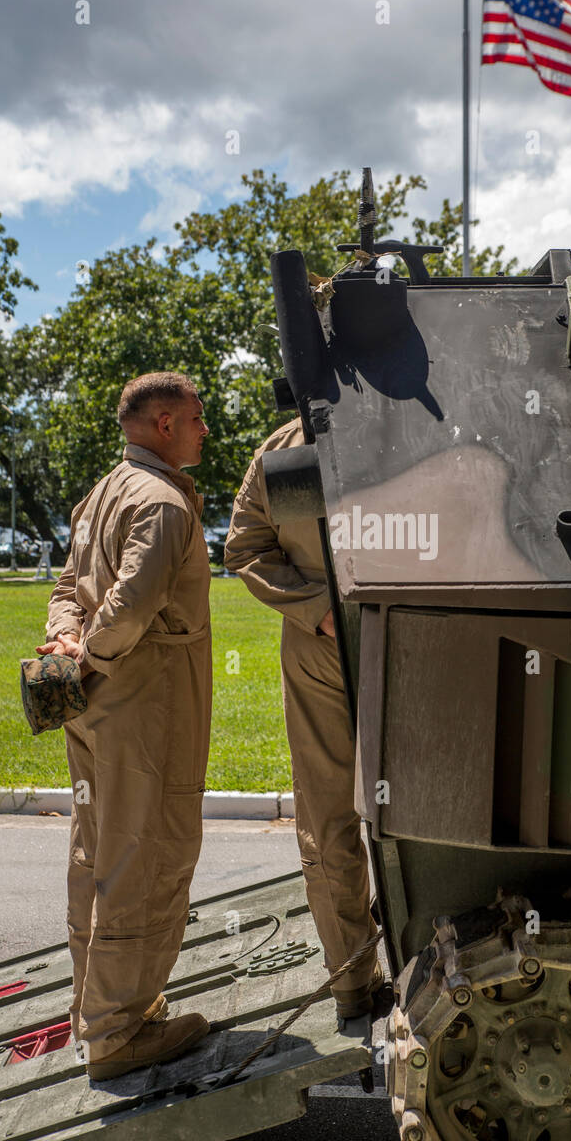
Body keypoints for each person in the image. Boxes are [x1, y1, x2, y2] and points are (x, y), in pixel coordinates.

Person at [39, 372, 213, 1080]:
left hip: (97, 703)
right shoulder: (161, 501)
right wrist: (91, 655)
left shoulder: (101, 492)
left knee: (97, 851)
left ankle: (102, 1009)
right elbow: (133, 605)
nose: (206, 430)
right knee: (148, 856)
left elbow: (66, 590)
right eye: (198, 418)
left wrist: (67, 645)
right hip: (147, 700)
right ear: (165, 424)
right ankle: (117, 1034)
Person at [224, 415, 381, 1019]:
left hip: (326, 637)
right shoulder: (446, 410)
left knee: (327, 815)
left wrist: (316, 609)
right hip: (399, 630)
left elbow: (244, 546)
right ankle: (424, 972)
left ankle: (353, 987)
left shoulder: (287, 445)